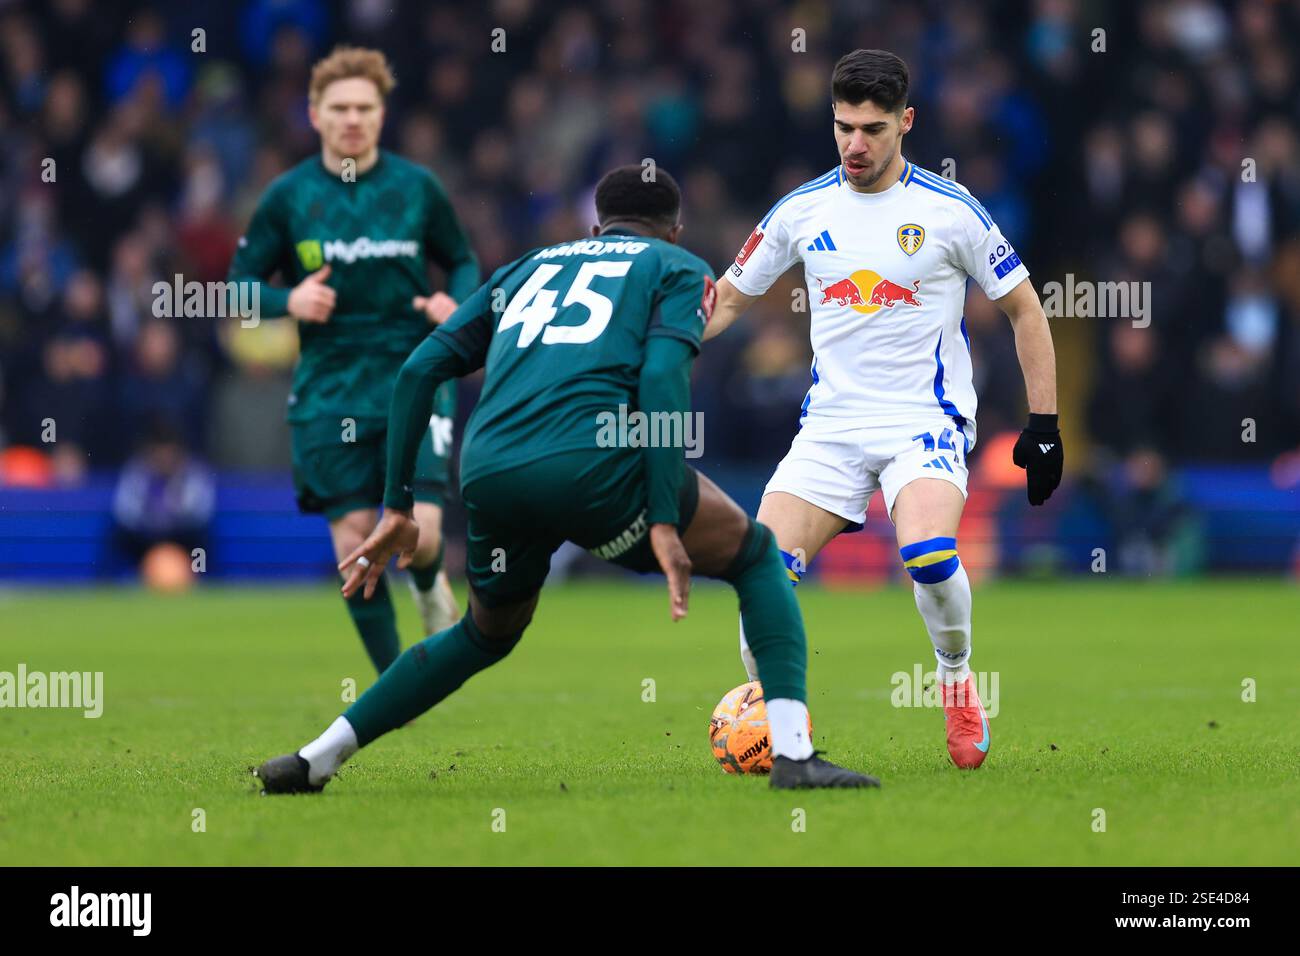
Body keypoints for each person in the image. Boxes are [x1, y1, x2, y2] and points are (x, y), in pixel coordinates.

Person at [256, 166, 880, 793]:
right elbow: (663, 380)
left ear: (594, 228)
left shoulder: (529, 267)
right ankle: (795, 757)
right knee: (755, 557)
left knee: (483, 632)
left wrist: (398, 504)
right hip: (591, 459)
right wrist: (663, 516)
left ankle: (318, 756)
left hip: (491, 466)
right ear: (675, 231)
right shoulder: (677, 268)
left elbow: (419, 369)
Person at [703, 50, 1063, 769]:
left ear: (907, 121)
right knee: (761, 576)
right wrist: (658, 334)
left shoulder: (949, 211)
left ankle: (956, 679)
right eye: (843, 128)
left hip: (922, 424)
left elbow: (1026, 309)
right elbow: (732, 297)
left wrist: (1045, 426)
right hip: (831, 430)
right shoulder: (802, 211)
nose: (855, 145)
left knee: (928, 555)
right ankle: (786, 732)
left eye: (871, 129)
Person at [228, 47, 475, 674]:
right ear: (314, 114)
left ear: (382, 114)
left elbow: (463, 258)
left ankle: (426, 585)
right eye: (339, 108)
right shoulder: (288, 196)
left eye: (365, 108)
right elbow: (235, 286)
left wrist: (457, 300)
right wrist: (290, 298)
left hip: (414, 370)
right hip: (329, 385)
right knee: (354, 539)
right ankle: (401, 683)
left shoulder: (416, 188)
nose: (352, 119)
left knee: (418, 527)